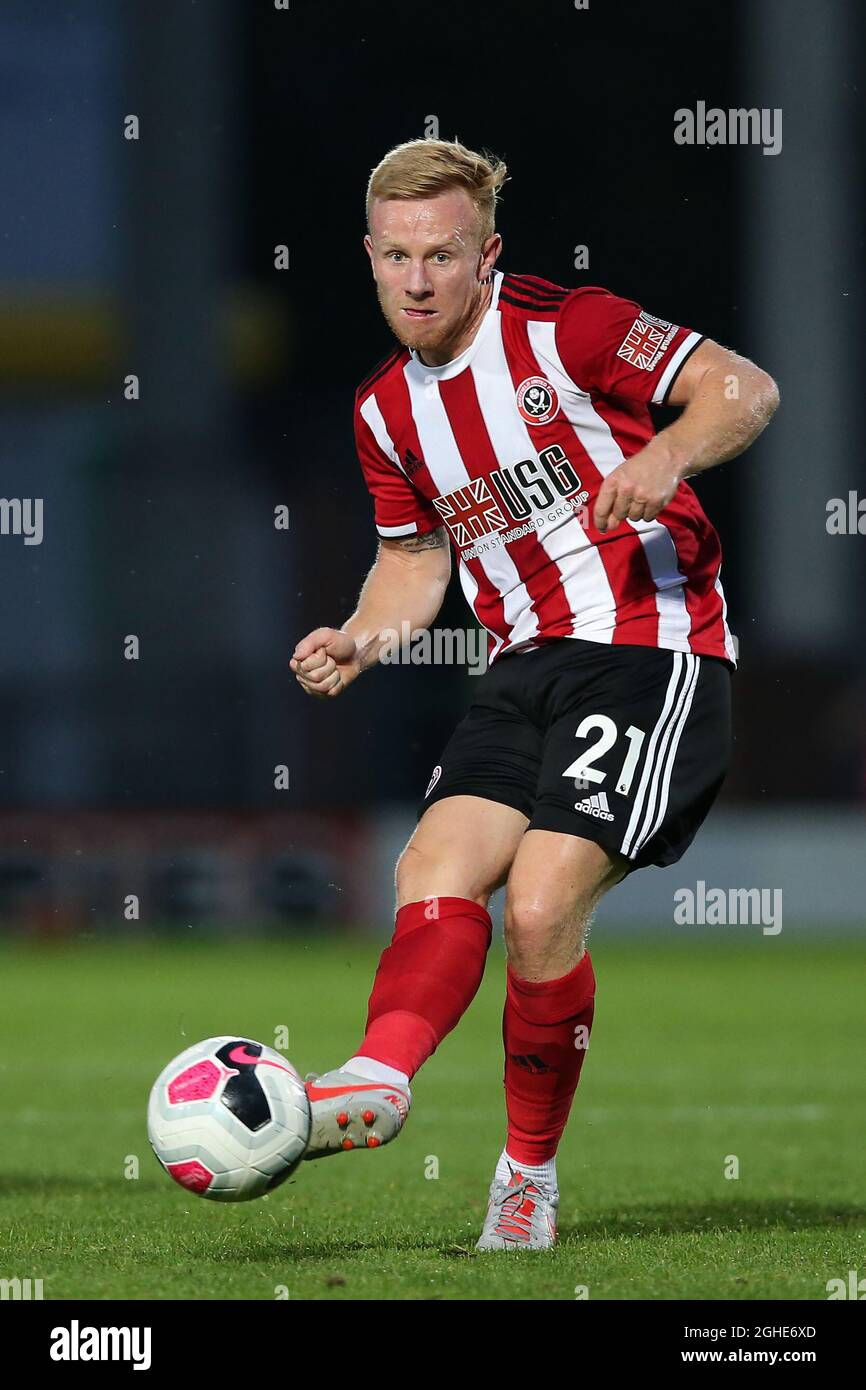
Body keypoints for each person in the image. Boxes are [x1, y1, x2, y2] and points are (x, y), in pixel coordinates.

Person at [290, 138, 779, 1250]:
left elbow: (741, 388)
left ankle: (525, 1179)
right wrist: (361, 635)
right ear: (369, 258)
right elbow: (413, 563)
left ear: (486, 255)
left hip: (650, 648)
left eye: (442, 256)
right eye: (396, 257)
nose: (417, 281)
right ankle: (376, 1076)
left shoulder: (570, 326)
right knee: (432, 865)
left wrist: (671, 454)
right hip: (519, 665)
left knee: (544, 903)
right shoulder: (383, 411)